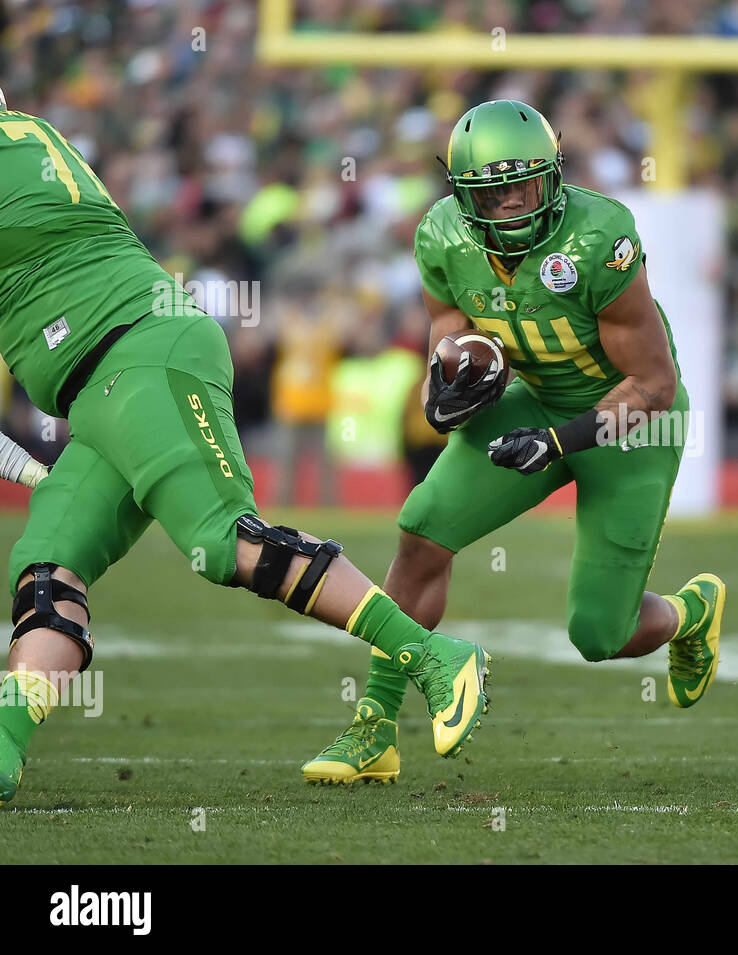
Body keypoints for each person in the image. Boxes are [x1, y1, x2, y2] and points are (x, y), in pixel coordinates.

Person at [0, 90, 489, 807]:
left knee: (223, 540)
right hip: (102, 385)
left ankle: (436, 656)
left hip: (138, 359)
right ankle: (6, 740)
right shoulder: (26, 137)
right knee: (46, 573)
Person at [301, 100, 725, 784]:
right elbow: (449, 331)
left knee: (601, 633)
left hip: (630, 423)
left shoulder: (600, 237)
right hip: (536, 401)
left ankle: (689, 613)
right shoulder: (442, 235)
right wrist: (445, 383)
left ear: (552, 175)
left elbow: (653, 384)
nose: (512, 206)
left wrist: (559, 442)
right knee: (422, 529)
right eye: (493, 193)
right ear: (462, 197)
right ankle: (374, 728)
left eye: (524, 186)